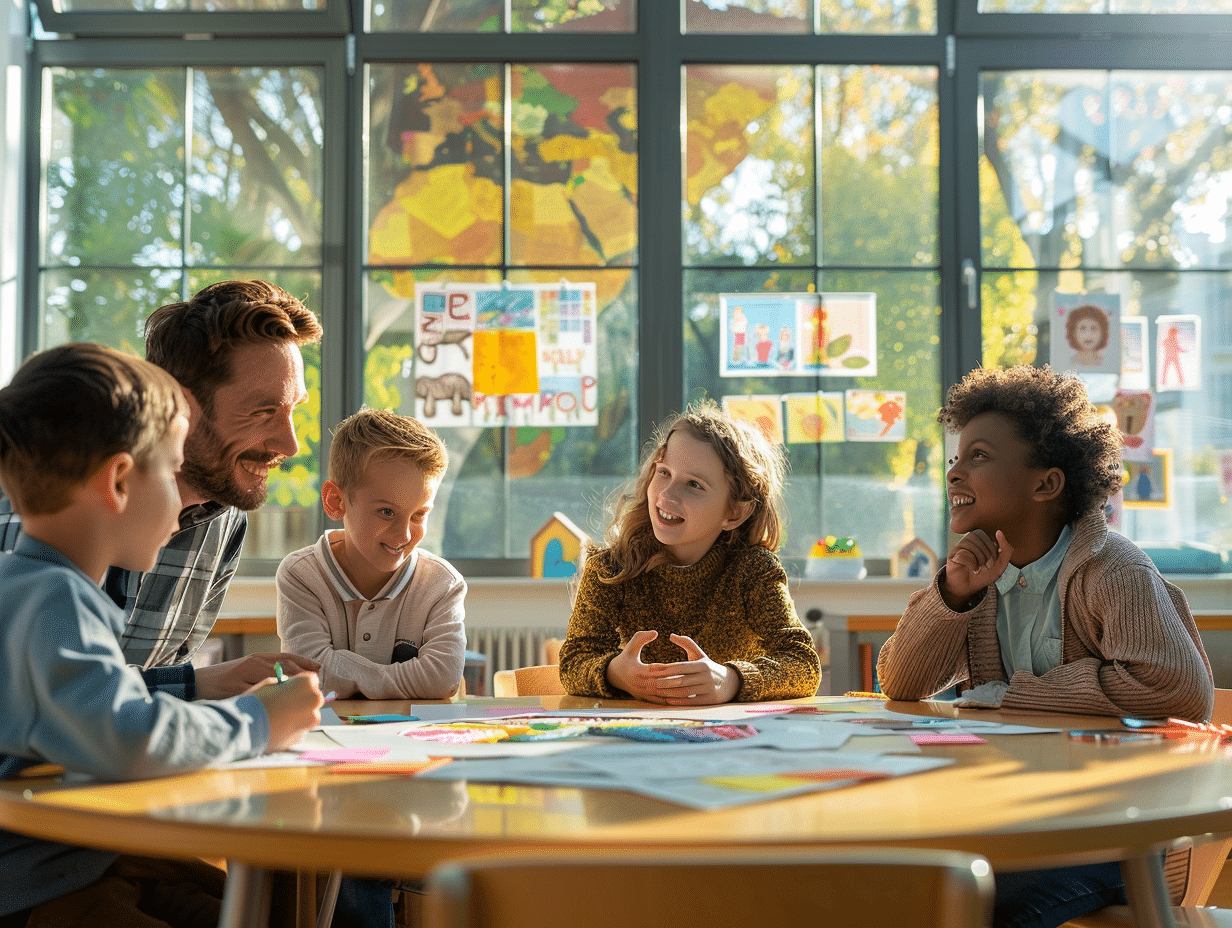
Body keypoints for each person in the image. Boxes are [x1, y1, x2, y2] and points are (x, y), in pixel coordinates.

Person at [877, 364, 1213, 928]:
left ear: (1046, 484)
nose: (955, 471)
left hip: (1119, 835)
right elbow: (901, 682)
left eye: (978, 456)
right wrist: (952, 596)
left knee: (970, 902)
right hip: (1016, 818)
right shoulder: (978, 574)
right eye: (956, 457)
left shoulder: (1114, 570)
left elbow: (1175, 688)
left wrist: (1011, 696)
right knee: (901, 878)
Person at [0, 343, 323, 928]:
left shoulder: (27, 584)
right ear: (119, 482)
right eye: (173, 472)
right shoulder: (56, 598)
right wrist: (258, 723)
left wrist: (196, 685)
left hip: (71, 862)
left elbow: (82, 700)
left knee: (264, 904)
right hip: (38, 886)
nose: (184, 506)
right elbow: (129, 738)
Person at [0, 279, 322, 700]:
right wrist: (254, 721)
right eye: (263, 412)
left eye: (293, 409)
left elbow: (102, 698)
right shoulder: (46, 504)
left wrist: (198, 682)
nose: (290, 445)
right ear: (183, 405)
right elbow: (49, 698)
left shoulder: (226, 518)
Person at [558, 400, 820, 705]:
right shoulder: (610, 568)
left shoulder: (754, 570)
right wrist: (615, 673)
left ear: (734, 512)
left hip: (728, 742)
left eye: (694, 484)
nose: (667, 494)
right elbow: (574, 661)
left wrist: (731, 680)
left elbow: (803, 663)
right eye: (664, 472)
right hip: (635, 738)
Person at [277, 408, 467, 699]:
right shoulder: (301, 574)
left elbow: (442, 677)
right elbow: (304, 675)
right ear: (336, 501)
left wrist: (338, 672)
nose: (404, 535)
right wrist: (411, 678)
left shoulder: (442, 585)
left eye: (418, 515)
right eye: (386, 512)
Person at [1063, 303, 1109, 367]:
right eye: (1082, 329)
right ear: (1073, 332)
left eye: (1093, 329)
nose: (1088, 334)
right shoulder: (1069, 364)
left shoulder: (1107, 364)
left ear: (1103, 332)